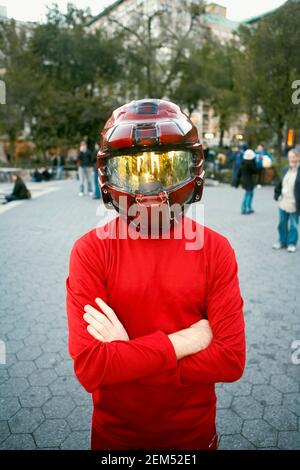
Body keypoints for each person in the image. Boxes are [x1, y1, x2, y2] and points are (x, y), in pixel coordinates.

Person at [66, 99, 246, 451]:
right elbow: (91, 367)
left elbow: (230, 359)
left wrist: (128, 358)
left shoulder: (216, 249)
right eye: (132, 170)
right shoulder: (90, 251)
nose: (149, 187)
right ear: (107, 174)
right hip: (117, 437)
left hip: (191, 436)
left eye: (166, 167)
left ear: (192, 167)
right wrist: (186, 342)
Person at [272, 148, 300, 253]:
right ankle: (282, 241)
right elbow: (279, 183)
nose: (291, 159)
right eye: (290, 157)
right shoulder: (285, 169)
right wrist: (277, 194)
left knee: (293, 225)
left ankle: (291, 243)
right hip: (284, 201)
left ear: (298, 158)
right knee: (282, 223)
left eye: (293, 157)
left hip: (295, 203)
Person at [236, 149, 258, 215]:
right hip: (249, 181)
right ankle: (246, 208)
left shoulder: (243, 163)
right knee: (249, 194)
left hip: (244, 181)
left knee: (248, 194)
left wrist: (237, 182)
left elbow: (239, 173)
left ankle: (245, 208)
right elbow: (255, 171)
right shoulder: (250, 163)